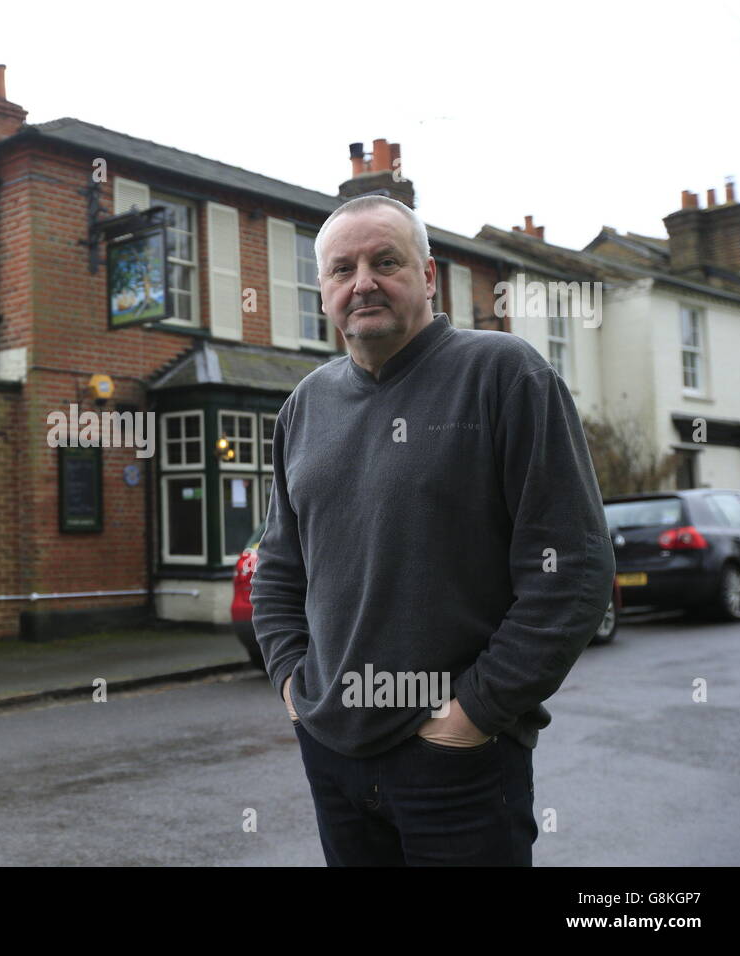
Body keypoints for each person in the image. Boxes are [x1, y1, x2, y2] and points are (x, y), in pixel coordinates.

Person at [251, 193, 615, 866]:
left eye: (384, 261)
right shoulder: (305, 405)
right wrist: (293, 690)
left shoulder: (504, 373)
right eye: (341, 268)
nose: (362, 281)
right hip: (332, 754)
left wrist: (473, 713)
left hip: (458, 768)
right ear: (323, 290)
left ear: (427, 275)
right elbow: (279, 565)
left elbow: (574, 569)